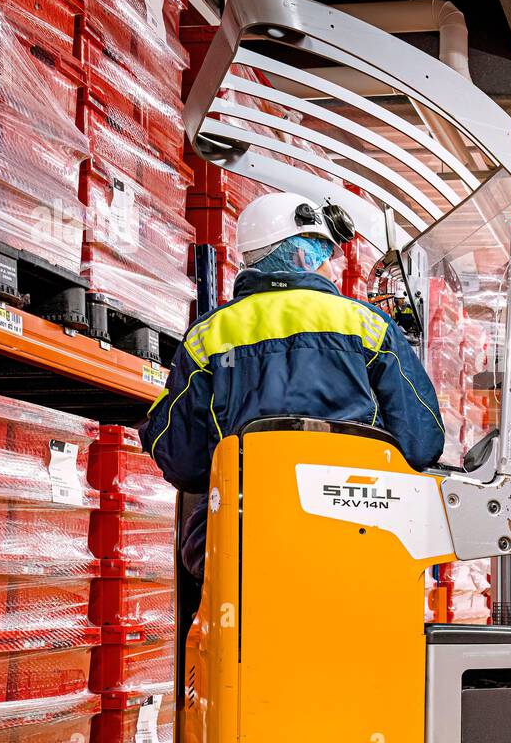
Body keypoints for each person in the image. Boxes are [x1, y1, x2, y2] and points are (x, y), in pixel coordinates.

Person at [140, 191, 446, 588]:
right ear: (303, 256)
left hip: (244, 545)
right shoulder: (368, 326)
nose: (332, 269)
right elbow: (421, 442)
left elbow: (181, 461)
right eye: (325, 254)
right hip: (358, 538)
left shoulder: (209, 335)